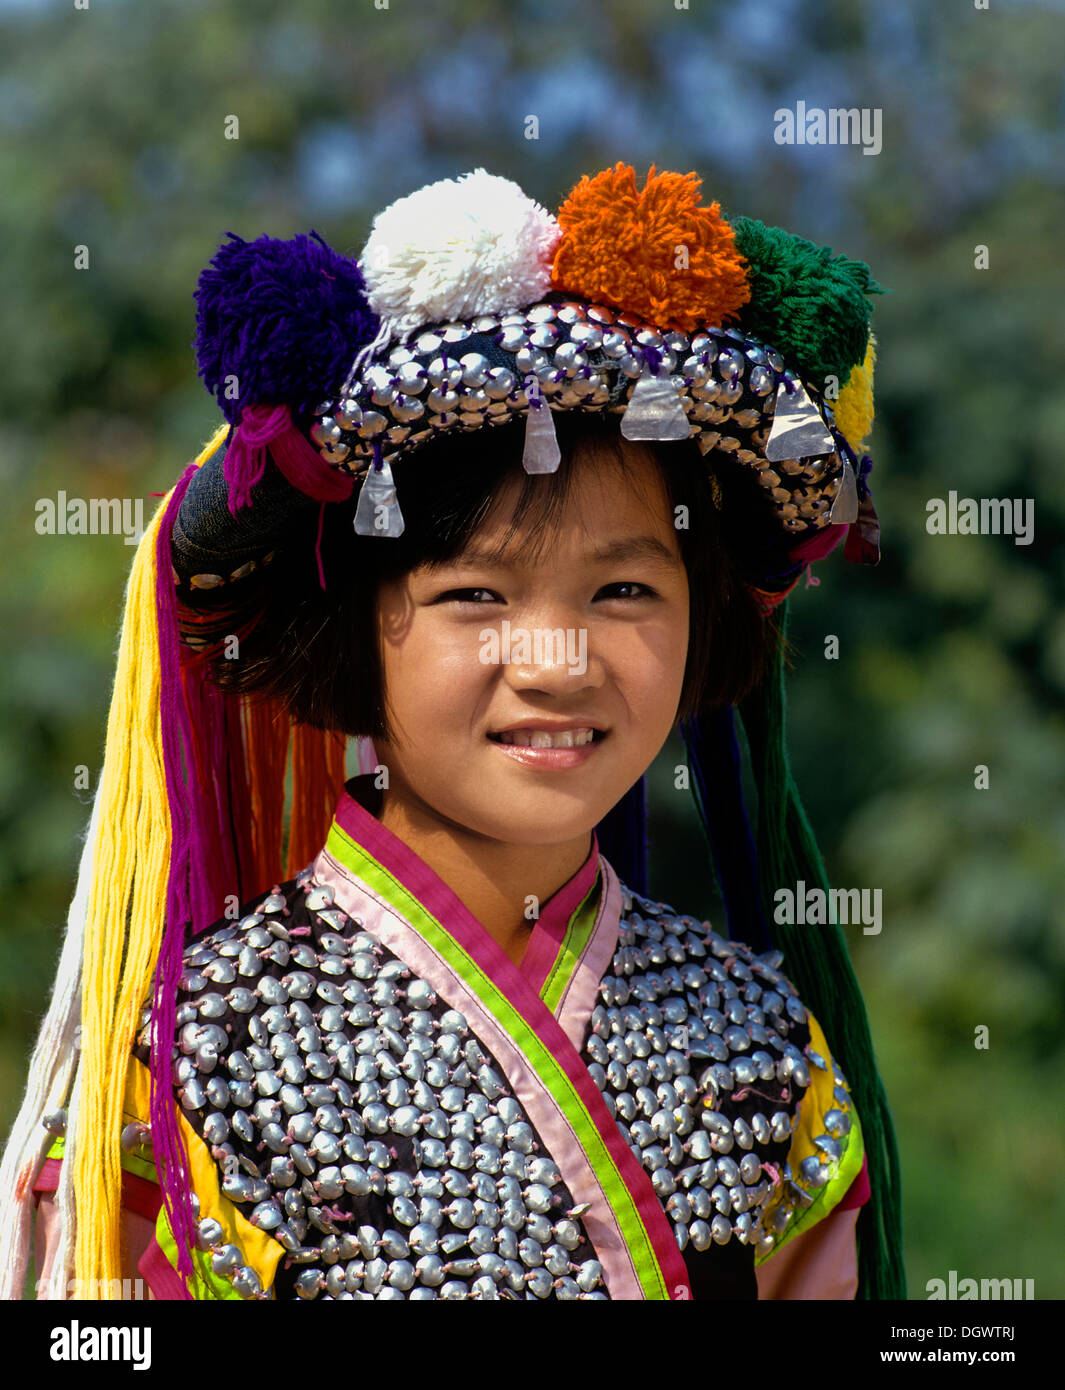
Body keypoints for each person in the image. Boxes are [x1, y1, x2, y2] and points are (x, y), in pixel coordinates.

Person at [2, 161, 902, 1300]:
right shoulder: (201, 1060)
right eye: (476, 595)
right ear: (358, 630)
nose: (559, 662)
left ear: (702, 615)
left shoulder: (763, 1045)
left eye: (623, 592)